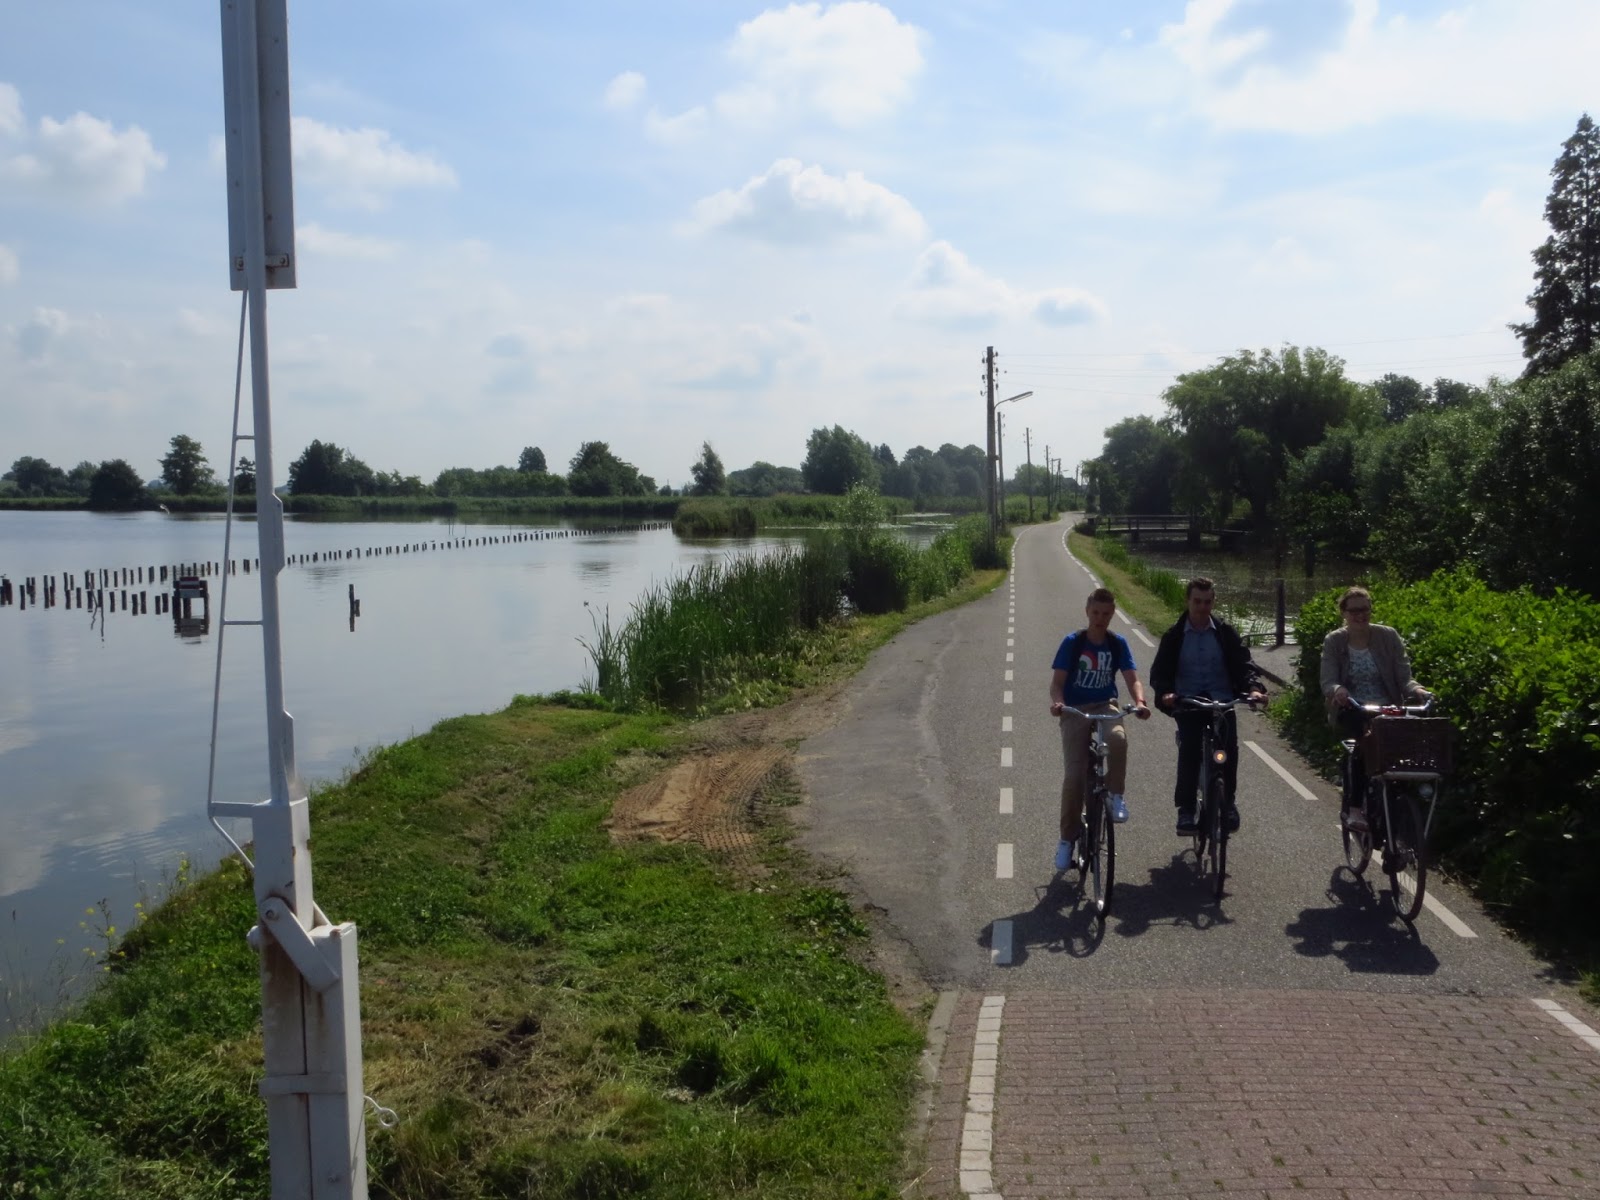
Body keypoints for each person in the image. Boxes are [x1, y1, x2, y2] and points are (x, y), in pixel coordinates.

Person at [1150, 577, 1264, 835]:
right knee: (1190, 748)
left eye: (1207, 602)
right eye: (1197, 601)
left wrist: (1254, 689)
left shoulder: (1225, 633)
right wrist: (1166, 693)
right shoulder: (1174, 635)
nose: (1202, 607)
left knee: (1228, 750)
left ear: (1214, 602)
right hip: (1189, 702)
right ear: (1187, 601)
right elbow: (1160, 673)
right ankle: (1186, 809)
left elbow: (1244, 665)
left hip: (1222, 701)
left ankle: (1229, 802)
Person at [1049, 587, 1151, 871]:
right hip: (1075, 710)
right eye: (1096, 612)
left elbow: (1132, 678)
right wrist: (1058, 703)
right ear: (1087, 611)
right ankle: (1067, 840)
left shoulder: (1117, 644)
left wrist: (1140, 702)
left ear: (1112, 614)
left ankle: (1116, 796)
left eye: (1106, 614)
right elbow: (1057, 683)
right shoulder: (1073, 643)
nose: (1100, 619)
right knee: (1074, 778)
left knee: (1118, 740)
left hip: (1106, 704)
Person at [1319, 586, 1431, 832]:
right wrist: (1338, 690)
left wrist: (1419, 691)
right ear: (1344, 613)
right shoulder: (1335, 640)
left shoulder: (1388, 636)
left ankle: (1399, 811)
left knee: (1403, 754)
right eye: (1354, 610)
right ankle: (1355, 807)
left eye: (1365, 609)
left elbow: (1405, 678)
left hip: (1388, 707)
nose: (1360, 615)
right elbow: (1328, 680)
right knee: (1364, 741)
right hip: (1352, 707)